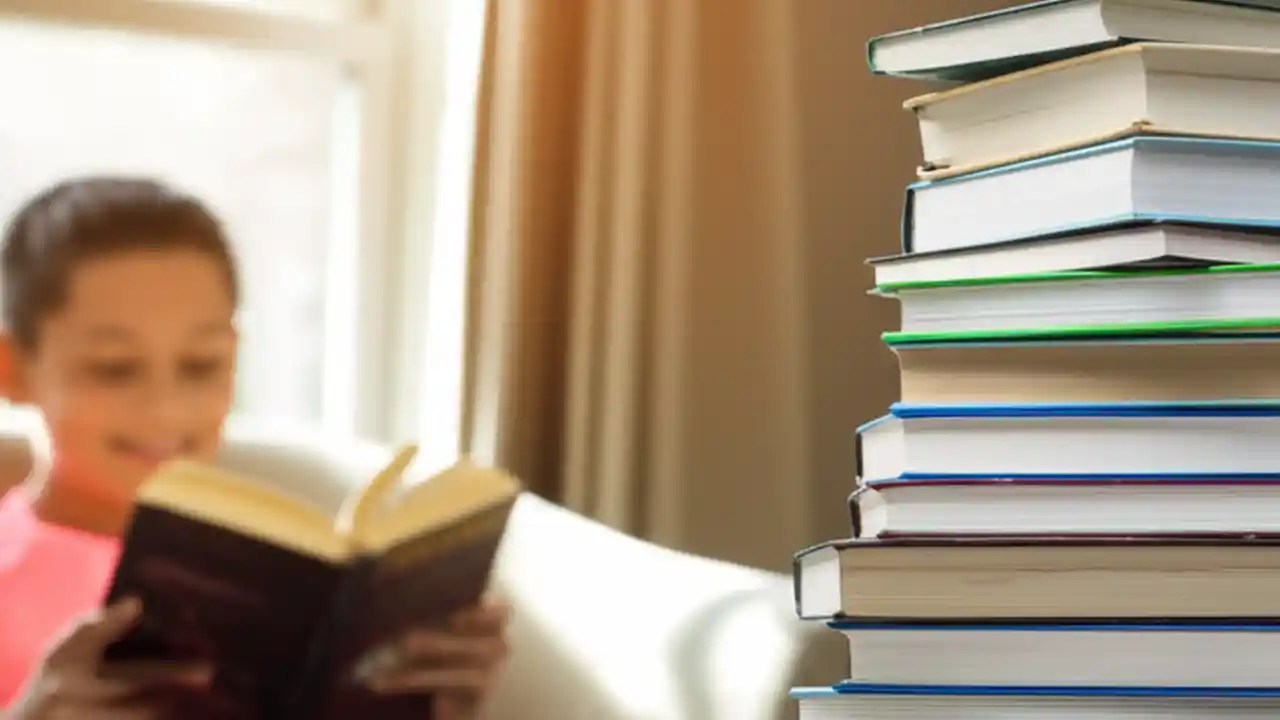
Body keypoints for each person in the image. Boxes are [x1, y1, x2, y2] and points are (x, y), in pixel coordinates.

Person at [0, 177, 510, 719]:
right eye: (115, 369)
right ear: (13, 370)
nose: (166, 409)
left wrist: (439, 708)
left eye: (201, 365)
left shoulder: (290, 573)